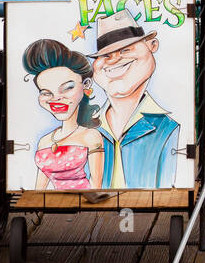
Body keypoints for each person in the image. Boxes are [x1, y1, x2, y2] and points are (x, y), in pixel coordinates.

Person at [88, 10, 181, 188]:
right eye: (106, 55)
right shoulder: (86, 128)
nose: (114, 60)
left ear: (152, 46)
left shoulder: (167, 128)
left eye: (126, 49)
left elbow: (169, 183)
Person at [22, 39, 105, 190]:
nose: (56, 99)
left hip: (85, 205)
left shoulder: (90, 136)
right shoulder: (44, 141)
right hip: (53, 207)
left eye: (67, 88)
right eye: (46, 93)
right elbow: (39, 191)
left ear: (85, 84)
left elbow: (96, 187)